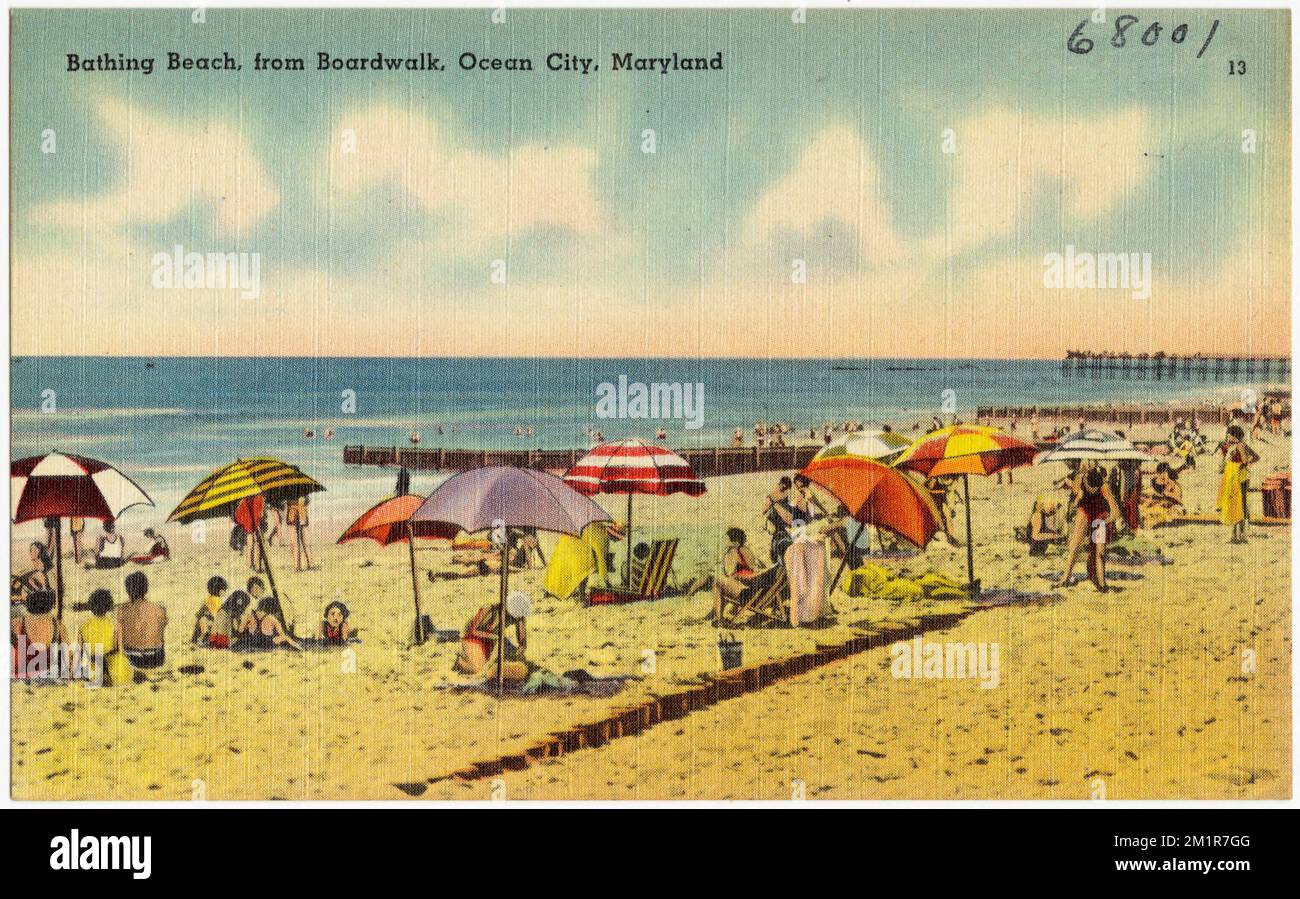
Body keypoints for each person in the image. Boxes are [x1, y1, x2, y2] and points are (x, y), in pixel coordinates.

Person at [1057, 468, 1122, 592]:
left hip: (1099, 513)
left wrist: (1104, 522)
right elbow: (1075, 496)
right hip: (1085, 510)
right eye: (1091, 488)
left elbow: (1115, 512)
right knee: (1074, 545)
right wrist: (1079, 494)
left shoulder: (1104, 487)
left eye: (1095, 489)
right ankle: (1065, 578)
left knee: (1100, 551)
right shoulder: (1080, 478)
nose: (1093, 490)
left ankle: (1102, 583)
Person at [454, 592, 530, 682]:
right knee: (478, 669)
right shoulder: (490, 609)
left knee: (512, 657)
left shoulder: (518, 616)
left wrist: (520, 650)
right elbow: (473, 630)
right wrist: (496, 637)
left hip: (493, 639)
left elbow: (522, 642)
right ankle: (463, 661)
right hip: (473, 637)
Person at [77, 588, 131, 686]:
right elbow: (120, 649)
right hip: (113, 670)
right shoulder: (115, 625)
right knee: (121, 658)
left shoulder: (83, 626)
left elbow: (80, 653)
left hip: (92, 670)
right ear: (109, 606)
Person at [1217, 424, 1260, 544]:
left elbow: (1248, 459)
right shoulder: (1229, 446)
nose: (1227, 436)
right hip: (1232, 475)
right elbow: (1256, 457)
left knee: (1239, 504)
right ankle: (1238, 534)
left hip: (1240, 476)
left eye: (1229, 434)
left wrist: (1243, 463)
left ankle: (1240, 534)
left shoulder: (1240, 445)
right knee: (1236, 503)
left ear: (1234, 435)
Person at [709, 528, 762, 623]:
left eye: (727, 539)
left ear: (735, 542)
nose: (724, 541)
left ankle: (719, 619)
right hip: (753, 592)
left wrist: (737, 576)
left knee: (717, 581)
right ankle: (717, 616)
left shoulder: (738, 551)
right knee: (720, 582)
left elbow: (730, 572)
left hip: (750, 594)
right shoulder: (742, 550)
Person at [11, 590, 67, 680]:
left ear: (29, 605)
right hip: (49, 678)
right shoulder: (58, 625)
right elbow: (67, 659)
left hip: (22, 678)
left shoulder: (17, 623)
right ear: (50, 606)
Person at [118, 571, 167, 669]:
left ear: (128, 590)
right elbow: (161, 633)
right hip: (156, 658)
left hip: (132, 658)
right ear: (146, 589)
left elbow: (119, 640)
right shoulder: (160, 609)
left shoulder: (122, 610)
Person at [763, 477, 796, 563]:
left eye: (787, 488)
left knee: (780, 537)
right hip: (775, 521)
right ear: (781, 484)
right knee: (779, 537)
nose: (786, 489)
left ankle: (776, 556)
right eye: (785, 487)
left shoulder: (783, 494)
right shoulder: (773, 494)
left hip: (781, 522)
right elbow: (764, 510)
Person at [191, 576, 228, 644]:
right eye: (224, 590)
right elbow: (214, 615)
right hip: (210, 621)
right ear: (219, 590)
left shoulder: (209, 599)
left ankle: (201, 638)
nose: (225, 591)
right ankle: (204, 639)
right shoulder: (216, 600)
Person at [288, 496, 312, 571]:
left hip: (296, 514)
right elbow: (307, 501)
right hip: (298, 514)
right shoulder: (302, 489)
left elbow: (307, 501)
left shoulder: (288, 490)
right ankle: (303, 565)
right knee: (299, 542)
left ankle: (301, 565)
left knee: (299, 543)